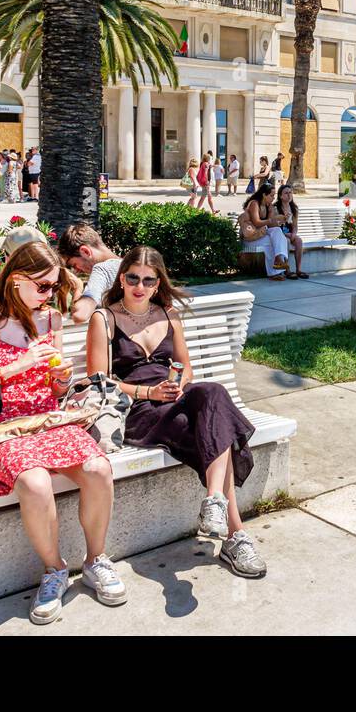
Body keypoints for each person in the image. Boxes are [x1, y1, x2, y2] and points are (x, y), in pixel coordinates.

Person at [0, 241, 124, 623]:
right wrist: (12, 368)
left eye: (54, 287)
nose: (49, 295)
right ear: (15, 280)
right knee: (36, 483)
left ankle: (95, 560)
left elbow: (54, 389)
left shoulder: (51, 319)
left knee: (99, 469)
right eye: (43, 286)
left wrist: (60, 381)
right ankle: (55, 569)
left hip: (47, 421)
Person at [85, 246, 266, 578]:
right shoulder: (104, 318)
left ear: (158, 283)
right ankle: (235, 534)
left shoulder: (168, 314)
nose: (140, 286)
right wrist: (149, 392)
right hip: (138, 410)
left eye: (148, 280)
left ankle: (214, 503)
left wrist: (177, 384)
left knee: (213, 394)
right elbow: (99, 381)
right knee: (217, 430)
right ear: (121, 278)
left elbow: (187, 368)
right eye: (132, 278)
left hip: (174, 399)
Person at [57, 223, 122, 324]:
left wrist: (78, 288)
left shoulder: (102, 270)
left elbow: (80, 315)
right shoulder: (130, 265)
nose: (76, 271)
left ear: (85, 252)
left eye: (73, 265)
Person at [238, 182, 290, 281]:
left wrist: (279, 218)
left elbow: (271, 226)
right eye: (271, 195)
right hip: (250, 237)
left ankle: (278, 260)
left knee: (277, 231)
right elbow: (257, 223)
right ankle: (276, 269)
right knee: (271, 241)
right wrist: (272, 220)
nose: (273, 198)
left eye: (274, 196)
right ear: (264, 195)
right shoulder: (254, 203)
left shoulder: (267, 205)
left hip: (261, 235)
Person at [269, 183, 310, 279]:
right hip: (280, 234)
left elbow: (295, 226)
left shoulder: (294, 208)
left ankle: (298, 270)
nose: (289, 195)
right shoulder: (275, 208)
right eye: (286, 193)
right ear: (280, 196)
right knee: (286, 241)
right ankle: (287, 270)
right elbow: (274, 225)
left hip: (290, 234)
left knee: (299, 241)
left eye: (290, 193)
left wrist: (294, 234)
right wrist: (286, 234)